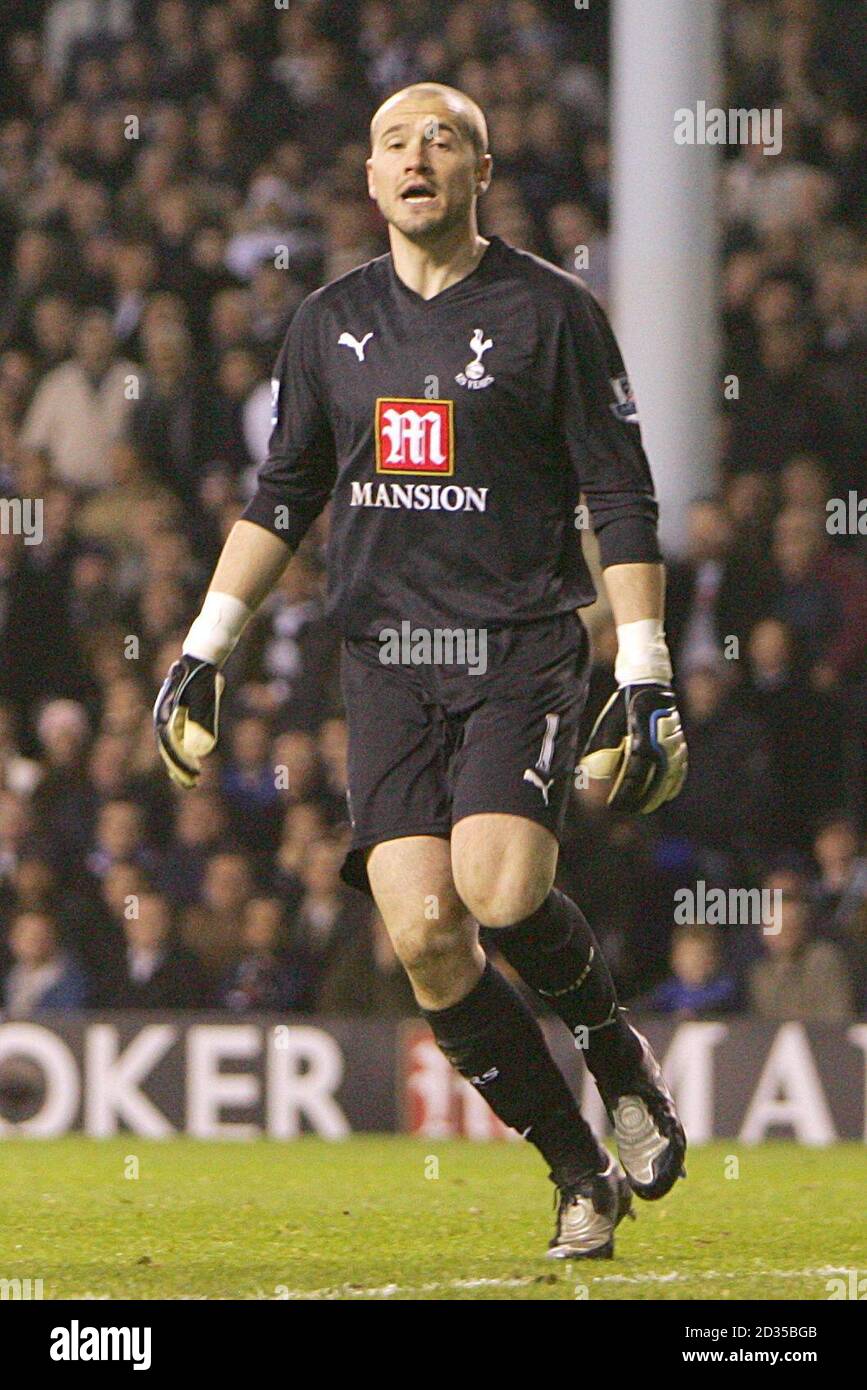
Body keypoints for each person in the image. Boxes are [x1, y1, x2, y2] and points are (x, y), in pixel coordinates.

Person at [154, 83, 687, 1260]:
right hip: (387, 659)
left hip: (520, 644)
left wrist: (643, 669)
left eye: (443, 138)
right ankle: (577, 1170)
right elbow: (284, 493)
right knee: (427, 934)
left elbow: (622, 496)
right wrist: (202, 648)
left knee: (498, 889)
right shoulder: (327, 323)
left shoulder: (554, 312)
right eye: (393, 138)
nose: (416, 155)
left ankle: (621, 1062)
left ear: (482, 170)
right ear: (368, 177)